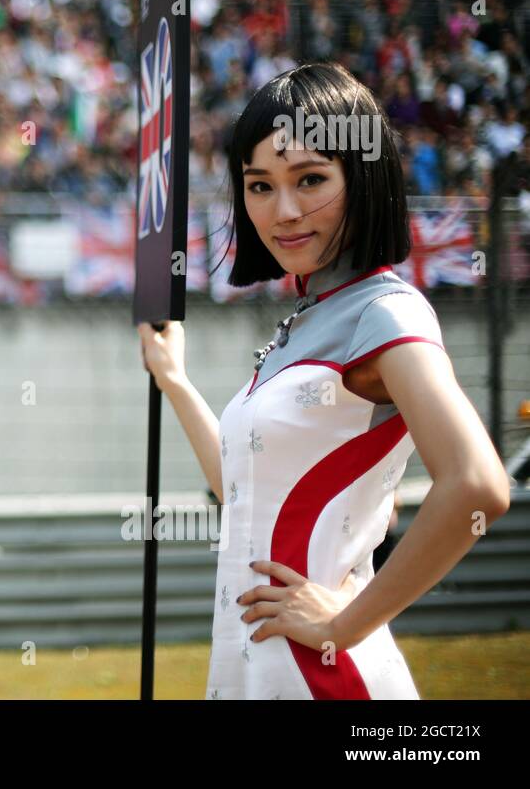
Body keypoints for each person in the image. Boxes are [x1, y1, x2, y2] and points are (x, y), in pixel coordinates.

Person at [138, 62, 510, 699]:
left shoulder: (384, 312)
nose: (283, 211)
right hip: (252, 671)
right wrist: (175, 381)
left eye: (310, 179)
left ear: (362, 178)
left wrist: (346, 623)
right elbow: (242, 494)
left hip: (323, 676)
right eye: (259, 186)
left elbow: (477, 486)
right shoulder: (307, 321)